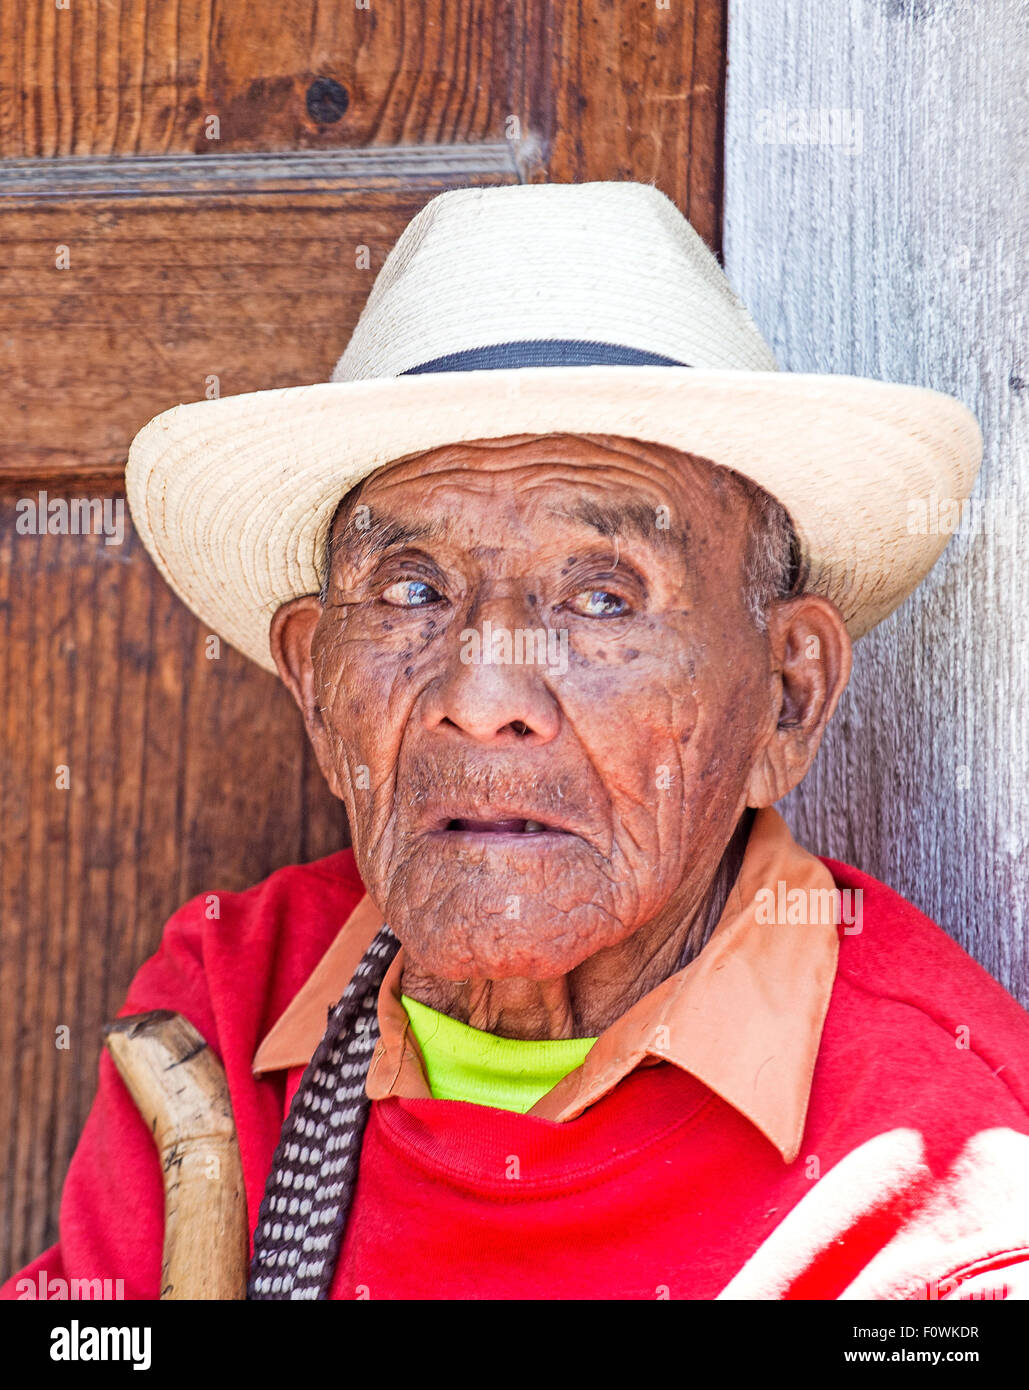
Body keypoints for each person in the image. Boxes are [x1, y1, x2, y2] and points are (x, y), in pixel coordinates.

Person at [5, 181, 1028, 1301]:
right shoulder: (232, 1006)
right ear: (314, 680)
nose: (482, 692)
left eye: (601, 598)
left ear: (787, 698)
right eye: (410, 587)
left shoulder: (944, 1204)